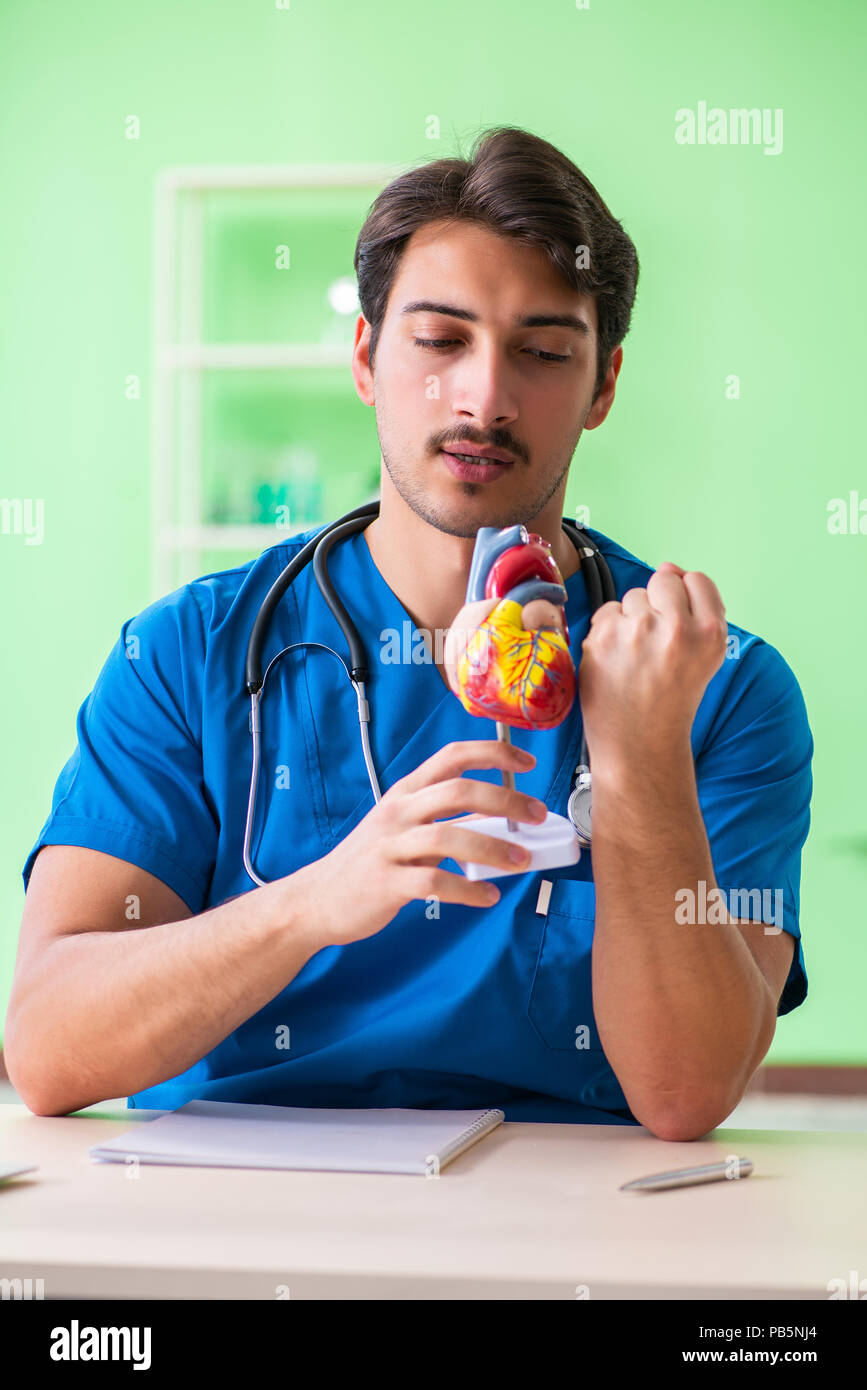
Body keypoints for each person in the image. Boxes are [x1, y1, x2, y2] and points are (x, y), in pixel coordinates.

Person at [6, 126, 812, 1139]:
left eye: (544, 350)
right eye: (440, 340)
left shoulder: (718, 682)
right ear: (365, 356)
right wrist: (320, 897)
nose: (484, 395)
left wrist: (641, 758)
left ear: (603, 384)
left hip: (571, 1223)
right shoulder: (185, 655)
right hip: (232, 1211)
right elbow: (45, 1047)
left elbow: (688, 1093)